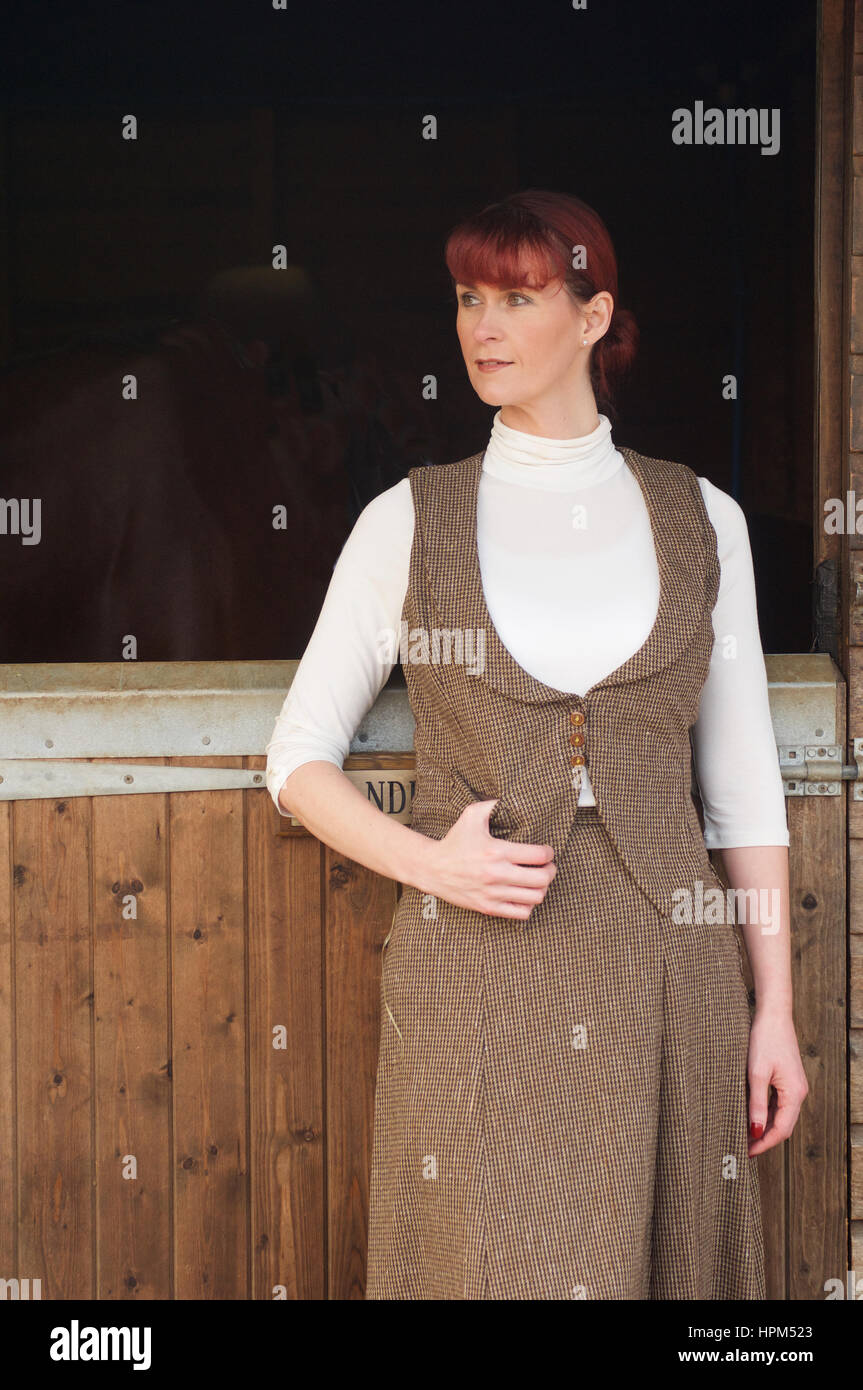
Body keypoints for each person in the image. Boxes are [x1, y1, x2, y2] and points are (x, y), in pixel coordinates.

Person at [265, 189, 809, 1300]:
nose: (484, 326)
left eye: (518, 297)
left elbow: (744, 795)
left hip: (670, 980)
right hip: (479, 974)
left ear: (594, 316)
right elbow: (294, 759)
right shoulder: (407, 520)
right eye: (468, 297)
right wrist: (429, 862)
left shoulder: (702, 519)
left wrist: (776, 1014)